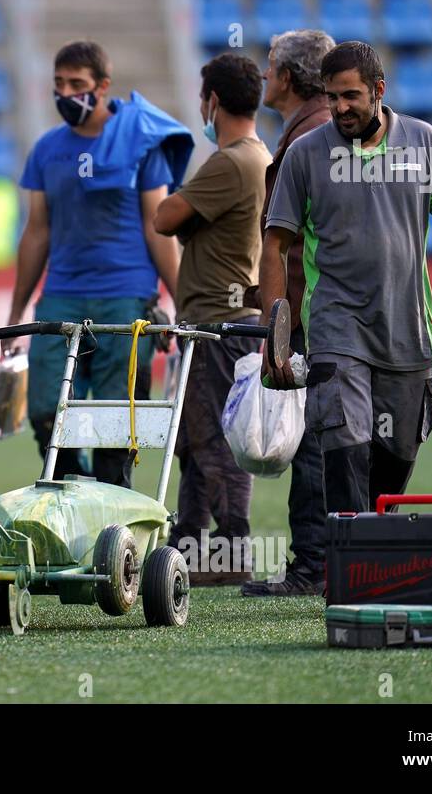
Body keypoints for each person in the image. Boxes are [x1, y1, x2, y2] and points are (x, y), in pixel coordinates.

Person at [261, 40, 432, 519]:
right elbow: (274, 244)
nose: (339, 107)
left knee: (395, 456)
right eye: (332, 96)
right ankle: (347, 567)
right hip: (337, 329)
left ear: (378, 90)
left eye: (350, 96)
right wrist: (275, 330)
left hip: (408, 330)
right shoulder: (305, 155)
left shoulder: (426, 143)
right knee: (345, 446)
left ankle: (374, 549)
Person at [8, 40, 191, 487]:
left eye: (77, 84)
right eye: (59, 84)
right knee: (47, 410)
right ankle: (75, 490)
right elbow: (37, 232)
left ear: (103, 86)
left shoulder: (141, 145)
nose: (66, 94)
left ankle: (114, 512)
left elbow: (156, 226)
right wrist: (16, 315)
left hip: (126, 298)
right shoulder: (46, 149)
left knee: (115, 422)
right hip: (61, 296)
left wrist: (183, 303)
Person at [153, 53, 270, 586]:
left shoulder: (232, 162)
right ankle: (193, 543)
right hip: (219, 319)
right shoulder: (257, 156)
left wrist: (155, 176)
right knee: (195, 437)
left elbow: (165, 217)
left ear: (213, 101)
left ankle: (229, 548)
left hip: (218, 324)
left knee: (214, 438)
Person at [241, 30, 334, 597]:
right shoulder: (311, 130)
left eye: (270, 65)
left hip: (315, 313)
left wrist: (281, 315)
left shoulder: (314, 136)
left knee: (316, 442)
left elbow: (304, 241)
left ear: (291, 77)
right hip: (312, 306)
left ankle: (314, 567)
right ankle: (326, 562)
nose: (263, 75)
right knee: (320, 440)